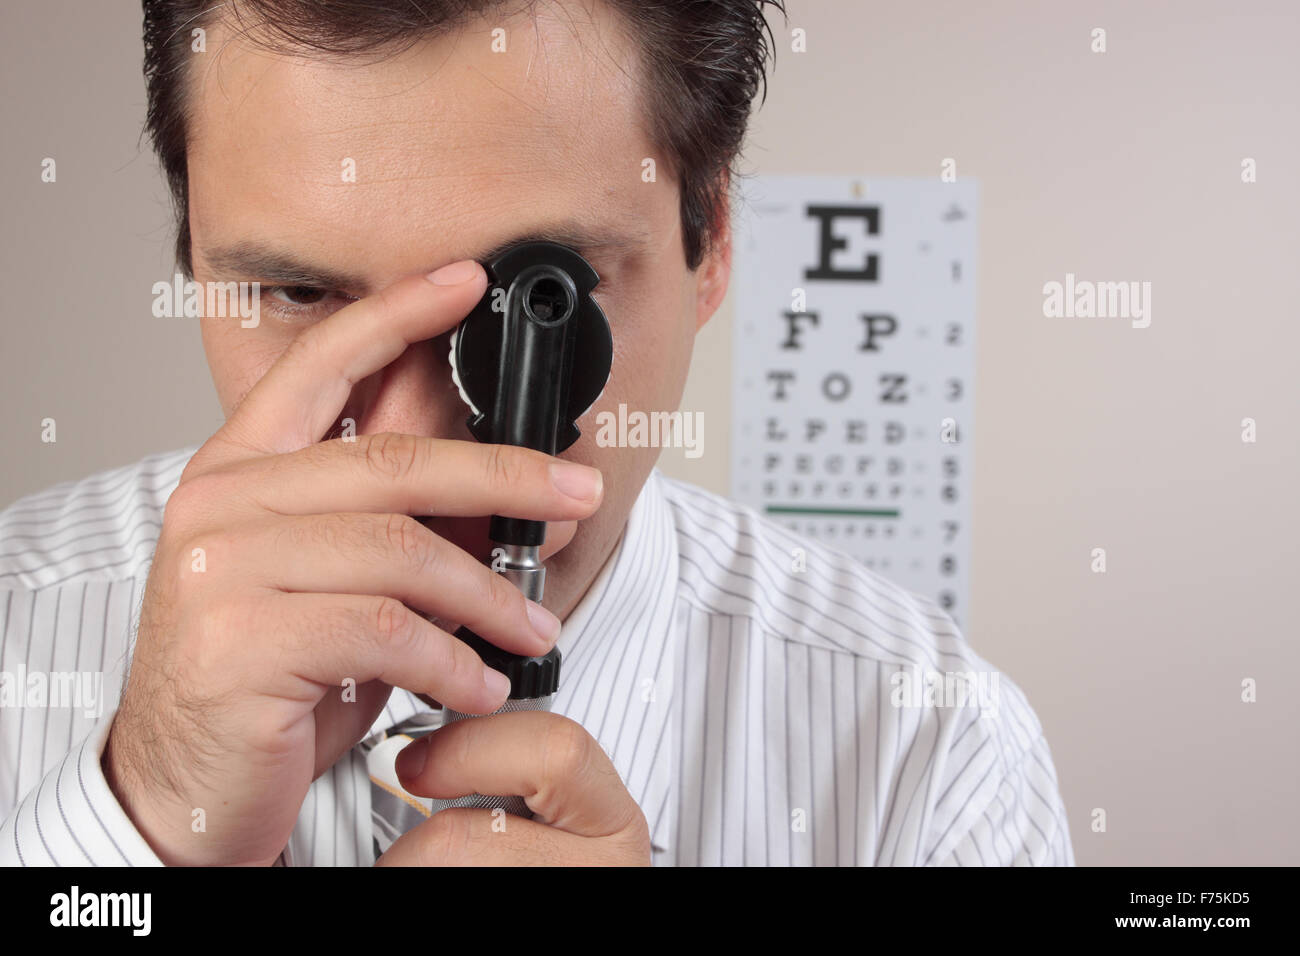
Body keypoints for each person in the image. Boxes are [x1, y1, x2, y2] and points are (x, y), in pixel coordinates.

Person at [0, 0, 1072, 866]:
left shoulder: (926, 755)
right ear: (190, 258)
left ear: (712, 248)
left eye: (540, 299)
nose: (412, 450)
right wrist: (137, 833)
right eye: (296, 289)